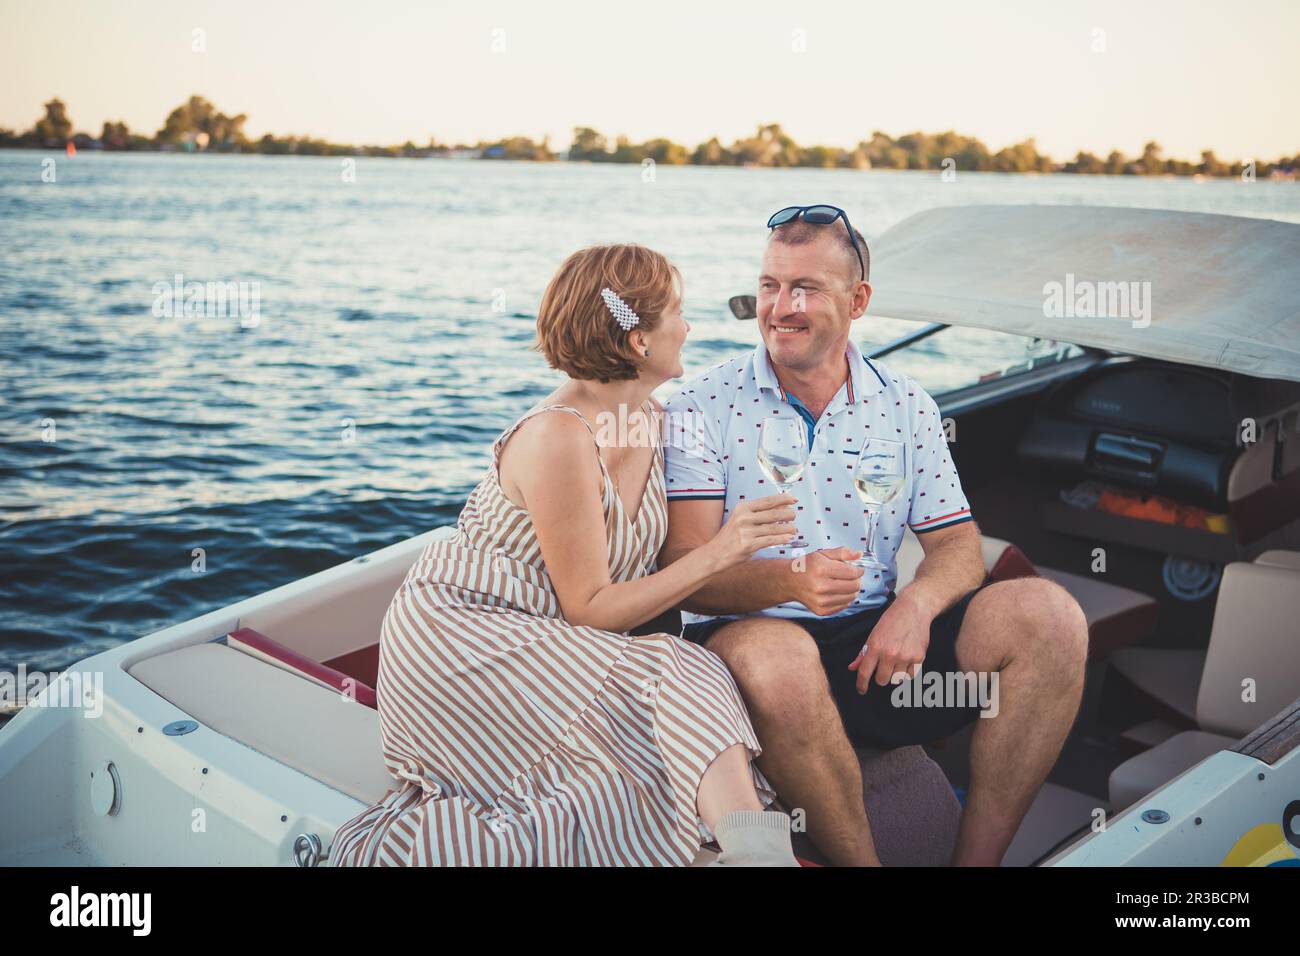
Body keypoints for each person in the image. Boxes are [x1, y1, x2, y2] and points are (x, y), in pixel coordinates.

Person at [328, 243, 803, 867]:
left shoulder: (658, 422)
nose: (689, 329)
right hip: (467, 639)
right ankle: (763, 857)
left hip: (558, 638)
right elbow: (590, 608)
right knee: (679, 669)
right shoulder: (559, 436)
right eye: (677, 314)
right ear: (637, 341)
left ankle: (754, 854)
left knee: (654, 713)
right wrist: (723, 552)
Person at [659, 204, 1089, 867]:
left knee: (1051, 616)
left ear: (858, 300)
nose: (781, 306)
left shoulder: (907, 405)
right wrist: (789, 581)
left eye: (805, 287)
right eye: (770, 285)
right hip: (749, 646)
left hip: (874, 653)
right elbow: (686, 567)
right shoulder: (701, 406)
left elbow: (954, 546)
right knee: (777, 658)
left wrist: (915, 608)